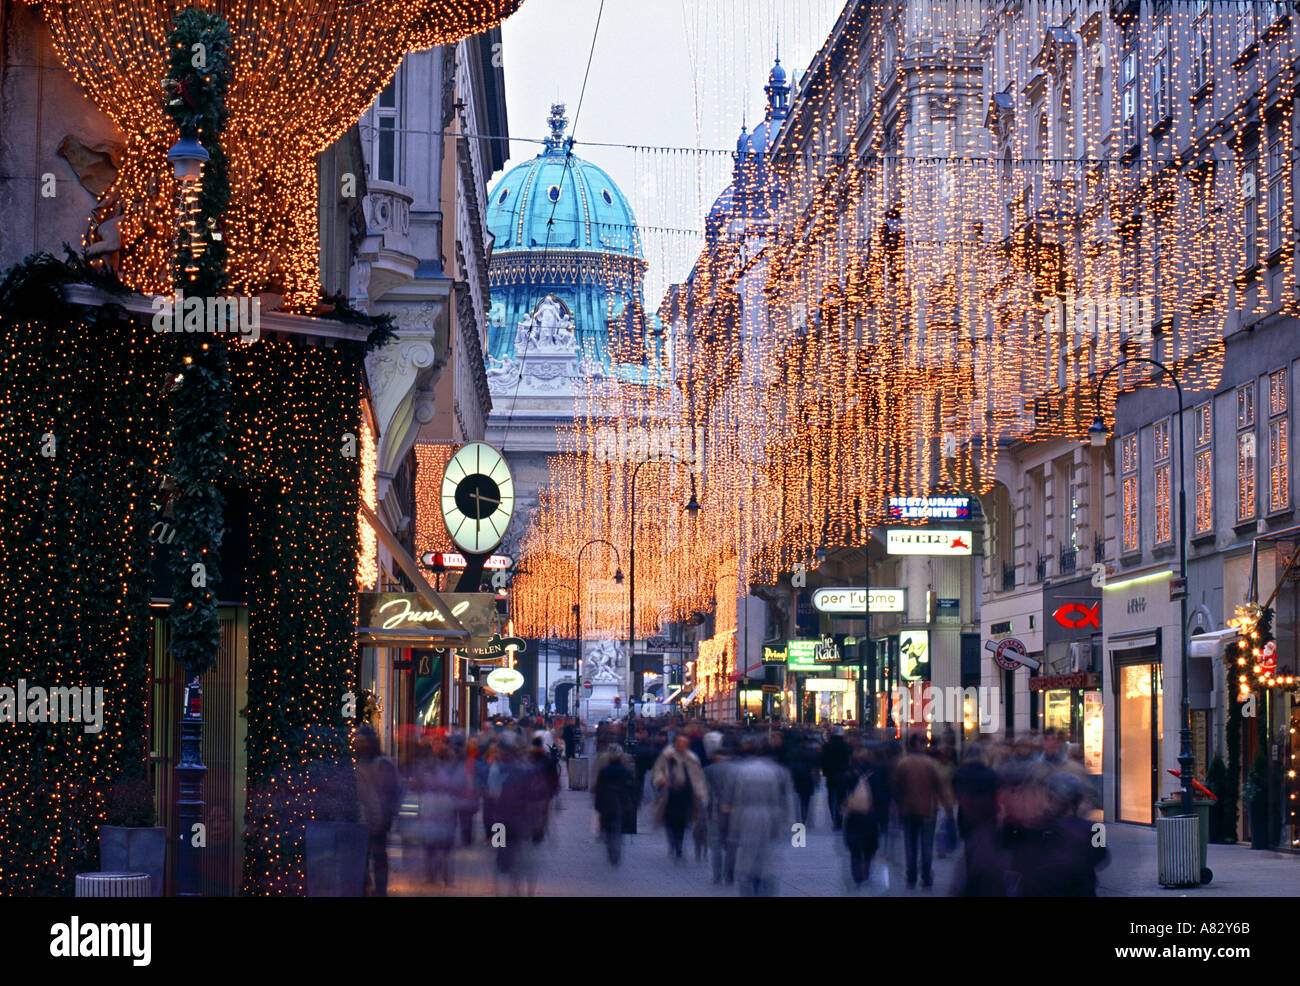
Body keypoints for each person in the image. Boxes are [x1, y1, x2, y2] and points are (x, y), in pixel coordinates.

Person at [722, 735, 793, 895]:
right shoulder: (779, 771)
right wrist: (794, 833)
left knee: (746, 861)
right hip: (772, 817)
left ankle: (749, 889)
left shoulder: (738, 770)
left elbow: (730, 801)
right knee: (768, 860)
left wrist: (730, 830)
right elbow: (787, 802)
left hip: (745, 817)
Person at [892, 733, 952, 889]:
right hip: (928, 810)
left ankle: (911, 875)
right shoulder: (930, 763)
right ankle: (926, 875)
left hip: (908, 810)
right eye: (923, 743)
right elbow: (940, 788)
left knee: (910, 845)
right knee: (926, 845)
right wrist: (948, 808)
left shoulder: (903, 763)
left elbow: (896, 788)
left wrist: (898, 808)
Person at [354, 726, 401, 897]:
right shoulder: (358, 763)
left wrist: (385, 816)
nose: (360, 745)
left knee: (378, 855)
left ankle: (379, 890)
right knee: (365, 856)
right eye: (358, 741)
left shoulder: (382, 764)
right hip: (363, 818)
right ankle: (367, 887)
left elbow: (392, 791)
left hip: (378, 817)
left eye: (363, 741)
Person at [651, 732, 708, 860]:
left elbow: (697, 777)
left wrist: (700, 793)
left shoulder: (692, 758)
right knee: (670, 819)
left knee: (682, 821)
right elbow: (657, 770)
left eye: (685, 743)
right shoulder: (667, 756)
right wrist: (661, 780)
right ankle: (673, 843)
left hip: (686, 793)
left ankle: (679, 847)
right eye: (680, 743)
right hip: (670, 792)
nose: (682, 745)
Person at [841, 747, 879, 888]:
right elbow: (881, 794)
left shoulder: (849, 773)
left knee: (854, 845)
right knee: (869, 844)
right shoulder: (875, 774)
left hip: (853, 815)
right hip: (870, 815)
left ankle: (857, 873)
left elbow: (841, 792)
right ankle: (866, 867)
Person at [592, 743, 636, 865]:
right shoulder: (625, 770)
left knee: (607, 822)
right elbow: (630, 786)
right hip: (620, 801)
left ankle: (605, 835)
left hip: (606, 800)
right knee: (618, 823)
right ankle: (615, 845)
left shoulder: (605, 770)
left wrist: (597, 802)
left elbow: (599, 787)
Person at [704, 744, 738, 884]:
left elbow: (705, 791)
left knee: (716, 842)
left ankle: (717, 875)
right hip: (733, 808)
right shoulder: (737, 770)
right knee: (732, 843)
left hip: (715, 808)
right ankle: (730, 874)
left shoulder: (709, 769)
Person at [821, 728, 851, 830]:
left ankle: (834, 818)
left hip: (830, 774)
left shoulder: (827, 746)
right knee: (841, 797)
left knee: (831, 796)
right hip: (842, 774)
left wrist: (824, 771)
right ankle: (840, 818)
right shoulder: (846, 747)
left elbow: (823, 760)